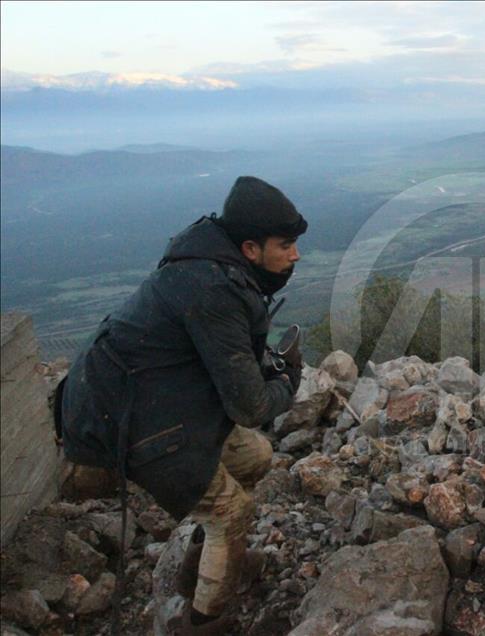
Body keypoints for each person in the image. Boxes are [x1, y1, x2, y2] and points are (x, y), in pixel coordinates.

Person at [58, 176, 307, 634]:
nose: (295, 255)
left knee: (256, 457)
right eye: (286, 245)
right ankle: (201, 622)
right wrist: (288, 380)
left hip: (158, 401)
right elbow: (250, 408)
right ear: (250, 249)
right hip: (126, 418)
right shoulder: (214, 290)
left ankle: (207, 566)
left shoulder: (215, 266)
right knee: (231, 512)